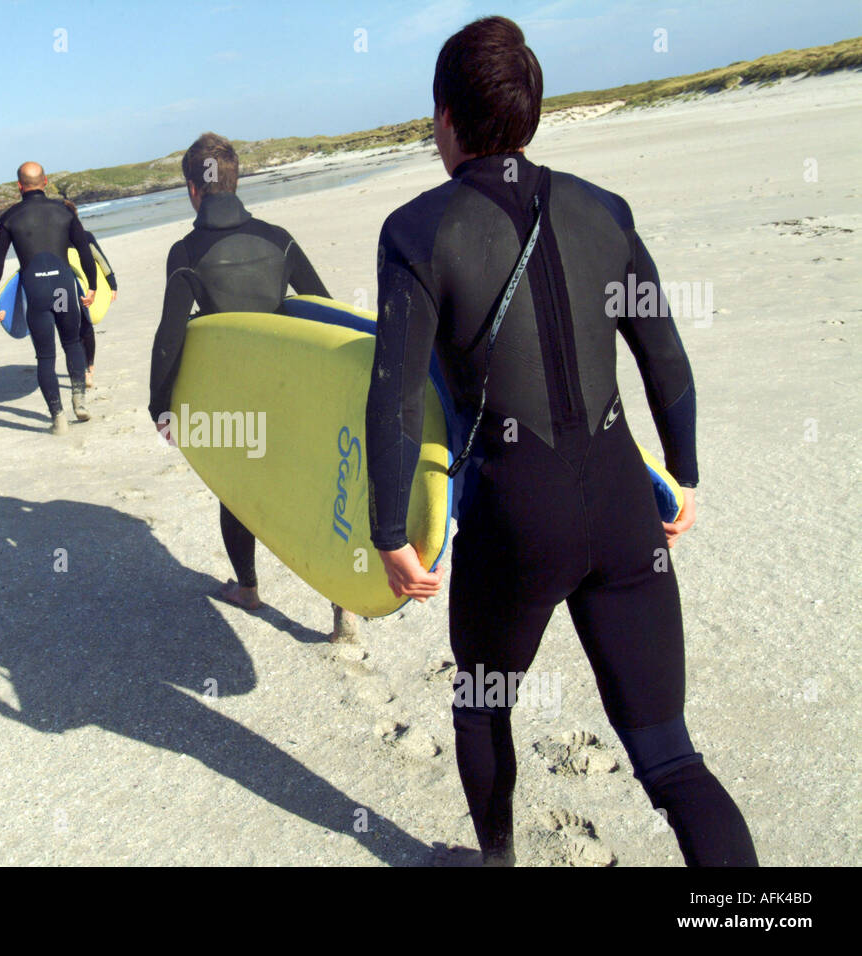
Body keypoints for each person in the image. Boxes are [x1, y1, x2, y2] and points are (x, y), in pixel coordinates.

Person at [365, 17, 757, 866]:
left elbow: (393, 395)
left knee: (482, 702)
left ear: (445, 117)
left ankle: (497, 860)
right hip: (622, 508)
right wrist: (680, 475)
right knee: (671, 756)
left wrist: (389, 531)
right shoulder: (604, 212)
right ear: (531, 108)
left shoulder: (414, 232)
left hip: (514, 516)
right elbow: (666, 357)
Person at [149, 132, 360, 642]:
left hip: (234, 405)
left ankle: (248, 589)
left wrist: (162, 406)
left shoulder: (186, 252)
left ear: (193, 190)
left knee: (236, 491)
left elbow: (169, 339)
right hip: (293, 393)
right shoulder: (278, 238)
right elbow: (324, 309)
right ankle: (344, 608)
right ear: (236, 179)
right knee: (314, 491)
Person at [0, 161, 97, 434]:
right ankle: (79, 400)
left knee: (45, 356)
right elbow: (84, 250)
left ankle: (57, 418)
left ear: (19, 186)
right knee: (71, 342)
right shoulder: (63, 211)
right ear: (45, 182)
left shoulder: (10, 217)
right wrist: (92, 285)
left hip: (35, 290)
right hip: (62, 287)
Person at [63, 200, 118, 389]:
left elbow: (100, 260)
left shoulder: (82, 237)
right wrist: (112, 284)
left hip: (76, 289)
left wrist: (112, 284)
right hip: (78, 289)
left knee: (78, 329)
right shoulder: (58, 240)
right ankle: (87, 368)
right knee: (82, 329)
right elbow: (102, 261)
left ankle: (87, 369)